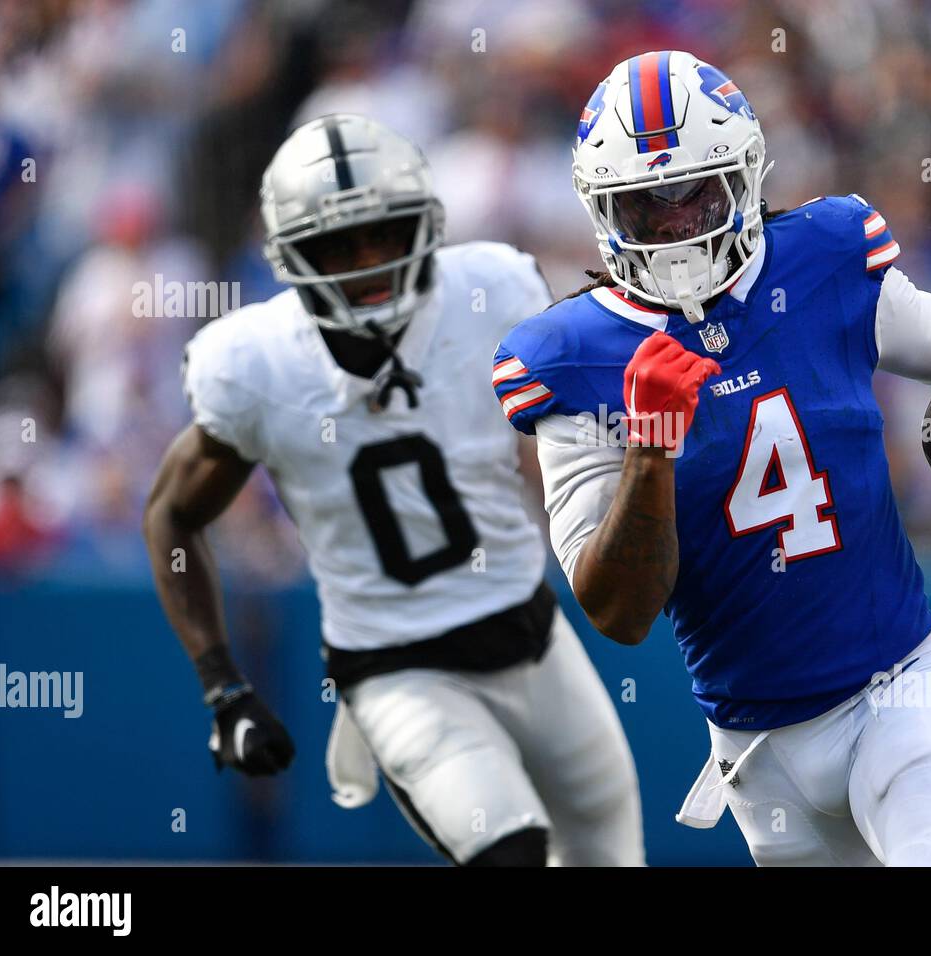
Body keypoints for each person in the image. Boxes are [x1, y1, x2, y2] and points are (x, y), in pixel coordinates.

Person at [493, 52, 931, 866]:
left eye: (698, 194)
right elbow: (619, 612)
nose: (680, 224)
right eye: (649, 207)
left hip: (901, 692)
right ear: (603, 210)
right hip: (759, 756)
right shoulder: (572, 357)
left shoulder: (820, 261)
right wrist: (649, 451)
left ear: (746, 175)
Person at [144, 114, 643, 867]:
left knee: (611, 857)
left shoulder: (495, 291)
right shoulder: (254, 364)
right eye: (337, 244)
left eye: (384, 233)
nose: (367, 262)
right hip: (398, 673)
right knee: (511, 852)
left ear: (426, 225)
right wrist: (223, 688)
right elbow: (171, 515)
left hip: (536, 641)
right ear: (290, 254)